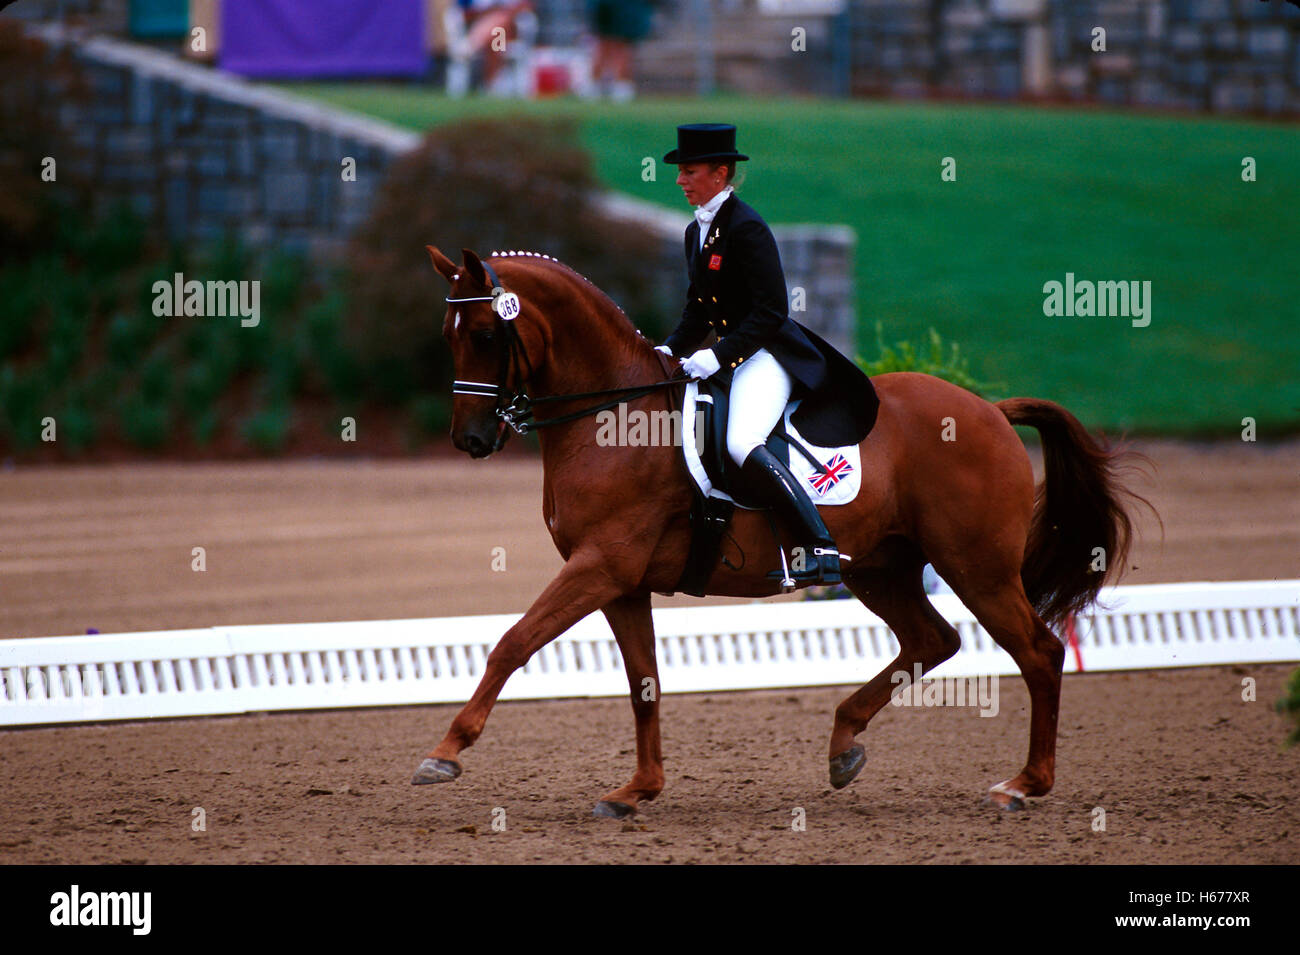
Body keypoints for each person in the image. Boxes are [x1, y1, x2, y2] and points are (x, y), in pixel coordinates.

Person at [656, 123, 879, 586]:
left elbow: (772, 311)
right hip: (734, 353)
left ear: (720, 174)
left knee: (741, 441)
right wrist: (667, 349)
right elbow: (698, 308)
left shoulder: (747, 227)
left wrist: (717, 358)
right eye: (680, 172)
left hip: (769, 352)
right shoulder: (694, 232)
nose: (680, 180)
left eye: (689, 171)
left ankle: (818, 546)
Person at [584, 0, 654, 101]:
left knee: (621, 46)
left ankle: (621, 86)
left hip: (623, 10)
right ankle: (595, 85)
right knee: (605, 44)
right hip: (607, 9)